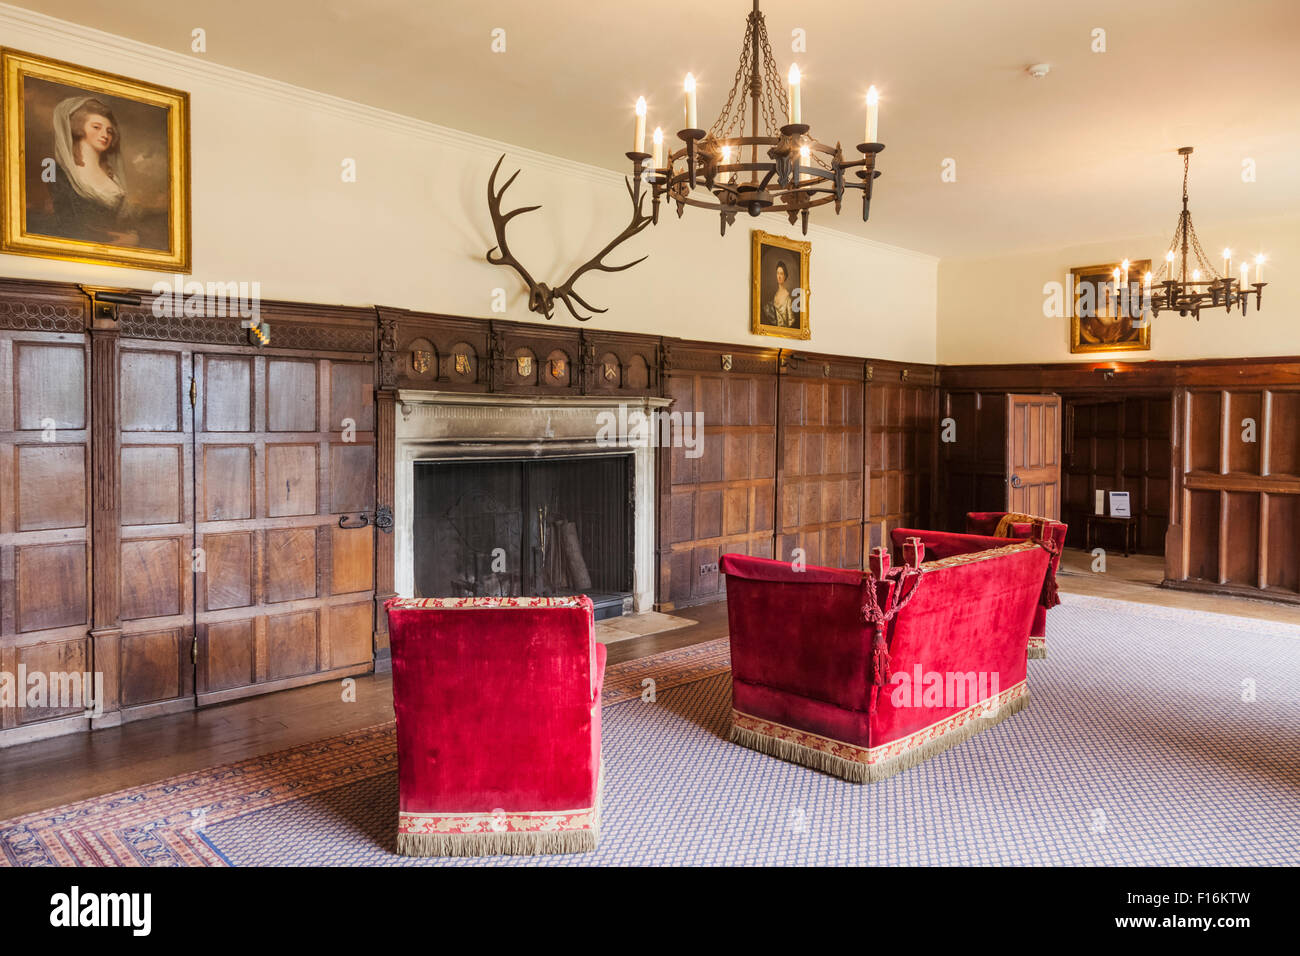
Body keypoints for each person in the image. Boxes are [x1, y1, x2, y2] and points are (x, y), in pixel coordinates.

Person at [47, 95, 137, 245]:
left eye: (109, 131)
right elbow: (61, 220)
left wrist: (134, 238)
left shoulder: (113, 176)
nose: (105, 135)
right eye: (96, 127)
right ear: (79, 128)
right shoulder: (53, 169)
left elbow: (126, 223)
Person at [770, 259, 795, 327]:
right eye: (778, 273)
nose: (779, 276)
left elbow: (791, 321)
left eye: (781, 274)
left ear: (785, 276)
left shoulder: (787, 297)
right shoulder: (775, 295)